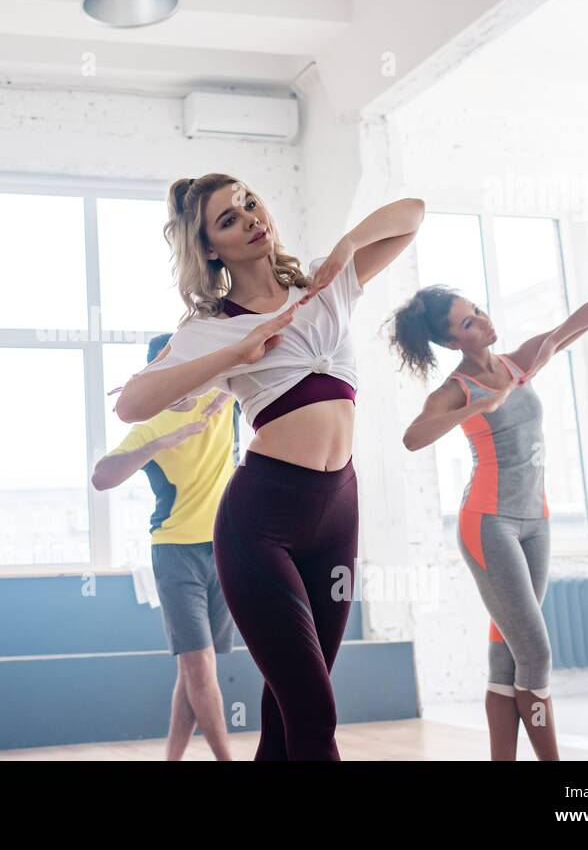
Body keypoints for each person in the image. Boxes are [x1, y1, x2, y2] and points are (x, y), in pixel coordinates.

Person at [114, 174, 424, 759]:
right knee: (314, 712)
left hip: (338, 512)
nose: (250, 217)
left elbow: (413, 213)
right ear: (209, 249)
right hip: (262, 521)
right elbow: (133, 404)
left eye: (248, 202)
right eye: (228, 219)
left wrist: (344, 248)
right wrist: (238, 351)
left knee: (289, 716)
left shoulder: (325, 285)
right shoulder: (209, 329)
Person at [389, 285, 588, 760]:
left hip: (538, 519)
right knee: (536, 656)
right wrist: (477, 407)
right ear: (452, 344)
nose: (484, 321)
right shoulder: (455, 390)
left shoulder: (518, 363)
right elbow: (413, 438)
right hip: (489, 525)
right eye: (468, 323)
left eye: (478, 311)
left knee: (506, 657)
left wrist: (552, 343)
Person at [93, 332, 241, 760]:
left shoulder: (222, 397)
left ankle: (171, 759)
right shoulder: (151, 426)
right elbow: (102, 477)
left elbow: (258, 349)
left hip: (225, 548)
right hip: (177, 554)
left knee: (194, 670)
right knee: (200, 666)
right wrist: (160, 444)